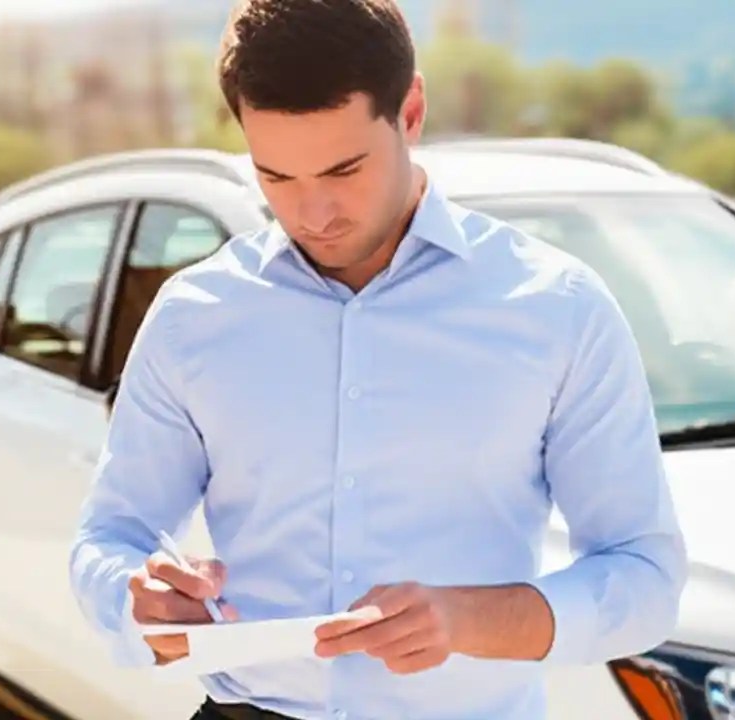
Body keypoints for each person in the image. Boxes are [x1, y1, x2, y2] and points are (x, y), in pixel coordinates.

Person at [69, 1, 688, 718]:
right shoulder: (193, 317)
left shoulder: (558, 308)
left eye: (344, 169)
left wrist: (468, 619)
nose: (314, 214)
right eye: (277, 176)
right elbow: (109, 537)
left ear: (411, 111)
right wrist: (137, 602)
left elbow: (644, 576)